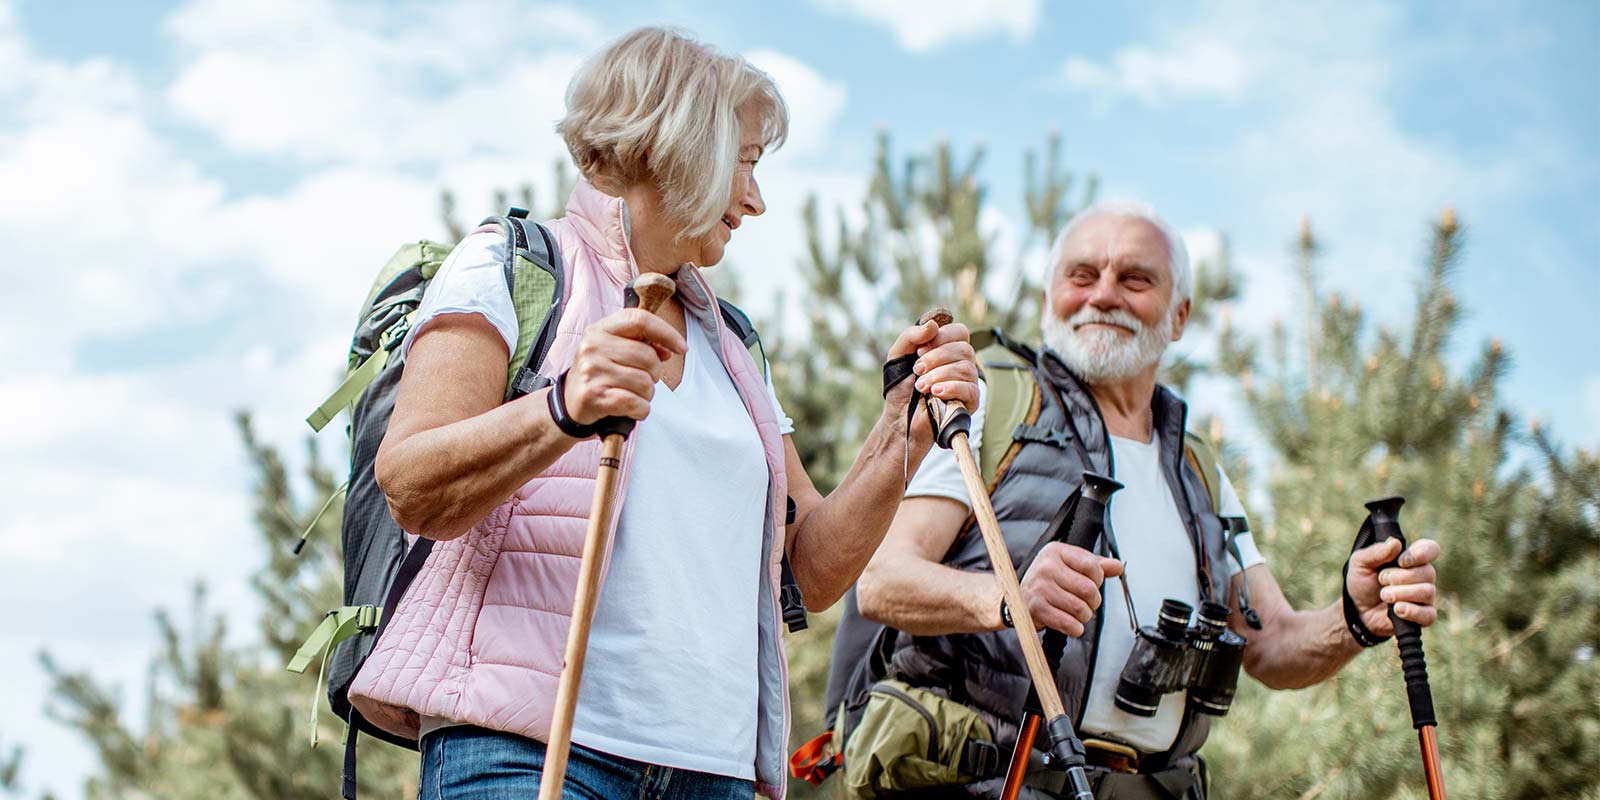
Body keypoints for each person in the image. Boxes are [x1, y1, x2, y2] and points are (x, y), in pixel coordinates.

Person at [346, 27, 979, 800]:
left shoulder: (732, 344)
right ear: (677, 146)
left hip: (712, 771)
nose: (756, 199)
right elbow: (411, 484)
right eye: (744, 162)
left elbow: (808, 572)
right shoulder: (512, 265)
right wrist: (563, 406)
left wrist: (899, 437)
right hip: (532, 752)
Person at [847, 200, 1441, 799]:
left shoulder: (1197, 467)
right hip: (984, 781)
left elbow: (1273, 645)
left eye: (1135, 279)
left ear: (1179, 314)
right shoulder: (990, 406)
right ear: (1050, 294)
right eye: (1081, 275)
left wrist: (1354, 620)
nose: (1103, 295)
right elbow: (881, 579)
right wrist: (1010, 597)